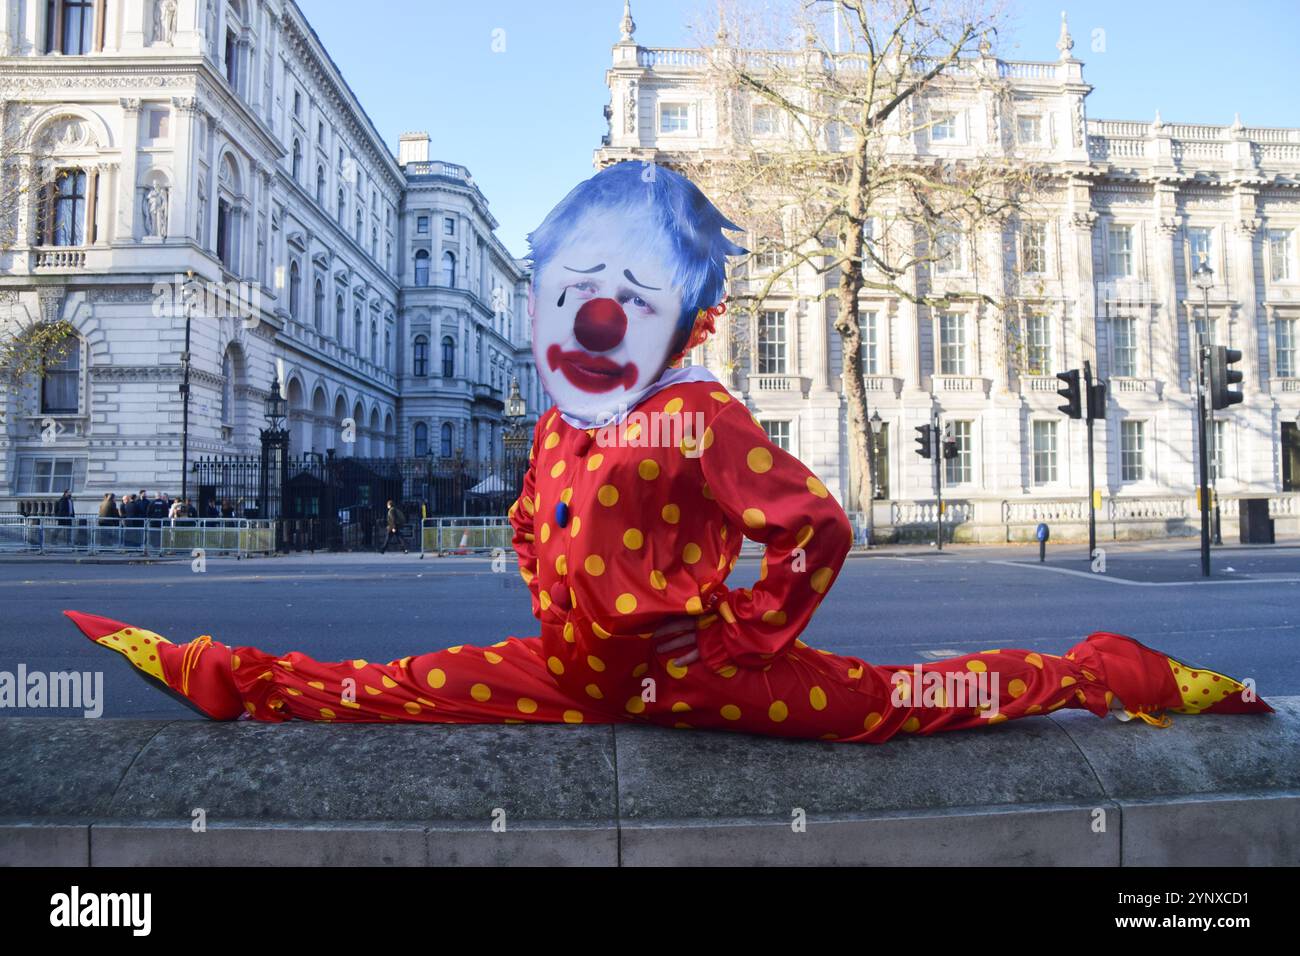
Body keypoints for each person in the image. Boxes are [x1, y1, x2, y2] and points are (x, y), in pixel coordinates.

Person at [64, 162, 1274, 739]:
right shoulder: (554, 422)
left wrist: (746, 631)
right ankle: (216, 667)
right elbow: (539, 525)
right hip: (569, 673)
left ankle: (1109, 668)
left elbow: (814, 523)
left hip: (704, 681)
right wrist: (554, 603)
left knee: (912, 698)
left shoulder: (701, 416)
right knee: (386, 686)